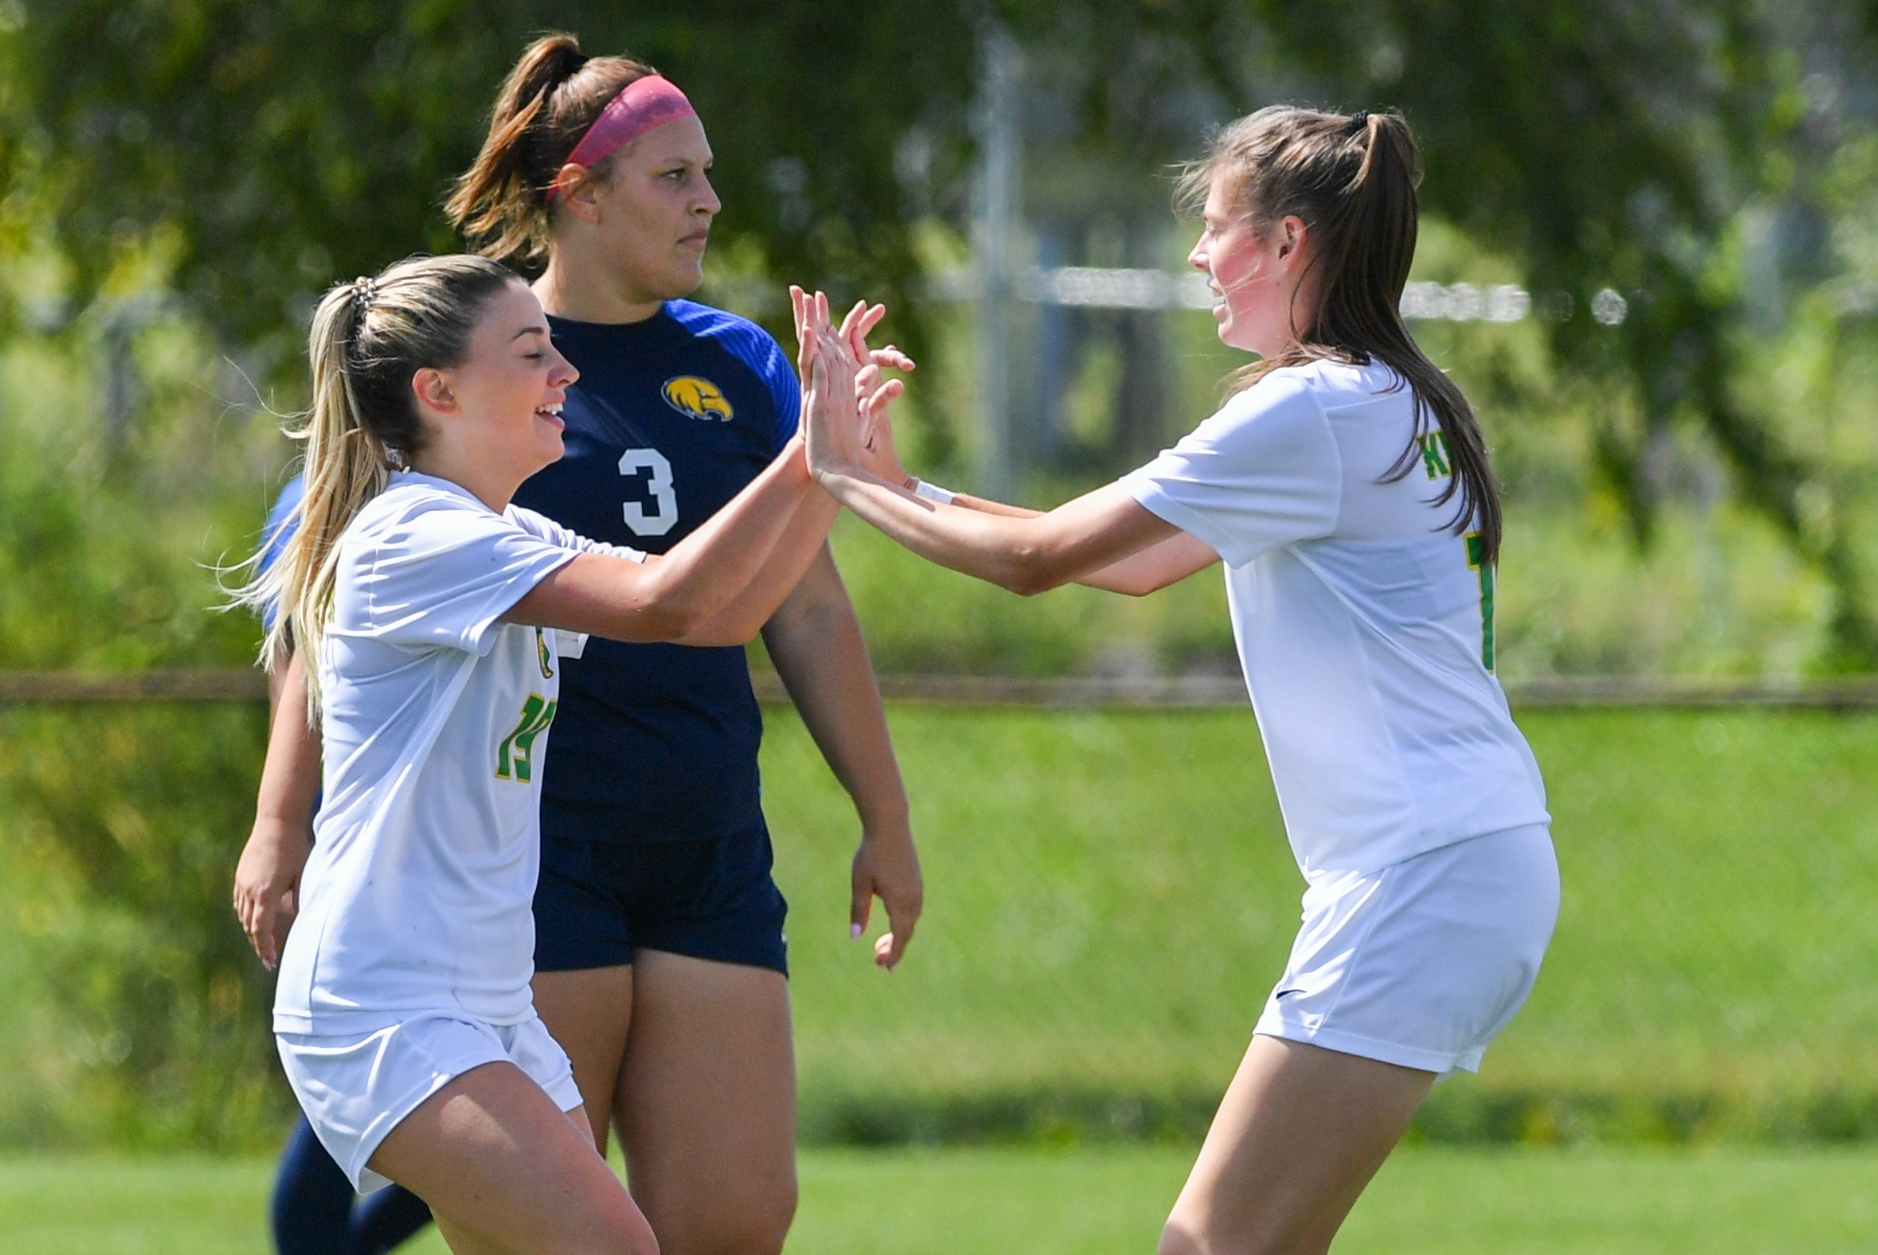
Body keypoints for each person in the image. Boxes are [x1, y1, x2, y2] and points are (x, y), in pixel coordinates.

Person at [805, 107, 1558, 1255]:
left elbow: (1036, 562)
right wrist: (903, 482)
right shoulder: (1379, 398)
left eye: (1216, 228)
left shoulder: (1310, 409)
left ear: (1289, 242)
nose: (1198, 258)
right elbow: (1128, 562)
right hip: (1458, 862)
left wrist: (841, 481)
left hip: (1421, 874)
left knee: (1202, 1247)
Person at [237, 34, 922, 1255]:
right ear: (581, 194)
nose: (564, 372)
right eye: (674, 173)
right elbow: (670, 603)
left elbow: (735, 608)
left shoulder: (522, 486)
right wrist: (819, 461)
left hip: (526, 964)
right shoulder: (423, 518)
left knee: (688, 1231)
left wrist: (821, 464)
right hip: (434, 975)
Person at [239, 474, 436, 1255]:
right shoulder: (324, 498)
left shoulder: (480, 483)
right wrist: (287, 827)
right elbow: (296, 676)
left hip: (467, 861)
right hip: (391, 866)